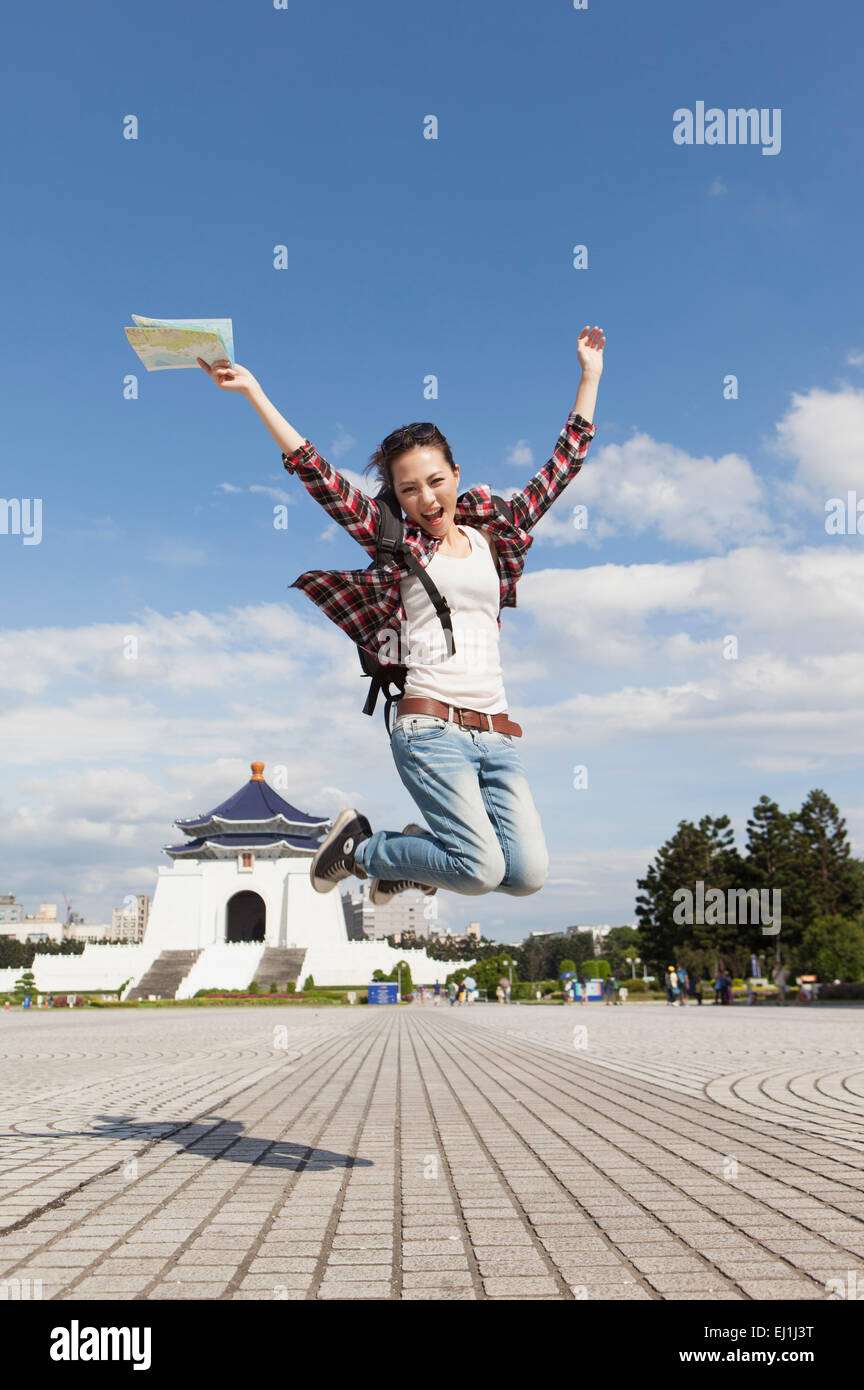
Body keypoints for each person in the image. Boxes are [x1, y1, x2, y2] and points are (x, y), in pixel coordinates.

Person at [198, 331, 603, 908]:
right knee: (482, 867)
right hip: (429, 728)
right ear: (396, 495)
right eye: (408, 489)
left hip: (498, 734)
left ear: (456, 475)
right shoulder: (398, 541)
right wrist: (255, 393)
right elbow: (317, 475)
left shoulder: (499, 530)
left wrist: (589, 374)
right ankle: (359, 849)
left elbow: (563, 465)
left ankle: (413, 854)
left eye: (436, 481)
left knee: (526, 875)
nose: (427, 498)